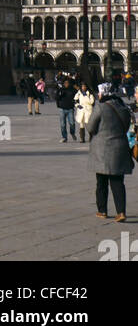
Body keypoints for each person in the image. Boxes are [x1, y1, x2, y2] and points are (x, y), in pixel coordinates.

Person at [88, 85, 134, 221]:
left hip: (102, 149)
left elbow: (90, 127)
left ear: (102, 93)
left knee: (101, 182)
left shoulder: (100, 107)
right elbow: (126, 126)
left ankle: (102, 211)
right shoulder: (123, 107)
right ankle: (121, 212)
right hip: (119, 148)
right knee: (118, 181)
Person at [55, 75, 78, 142]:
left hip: (70, 108)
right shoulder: (60, 90)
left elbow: (77, 96)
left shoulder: (72, 89)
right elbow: (56, 98)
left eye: (67, 83)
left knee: (72, 123)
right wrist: (60, 94)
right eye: (65, 83)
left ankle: (72, 133)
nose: (66, 84)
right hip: (62, 109)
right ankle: (64, 137)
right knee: (63, 124)